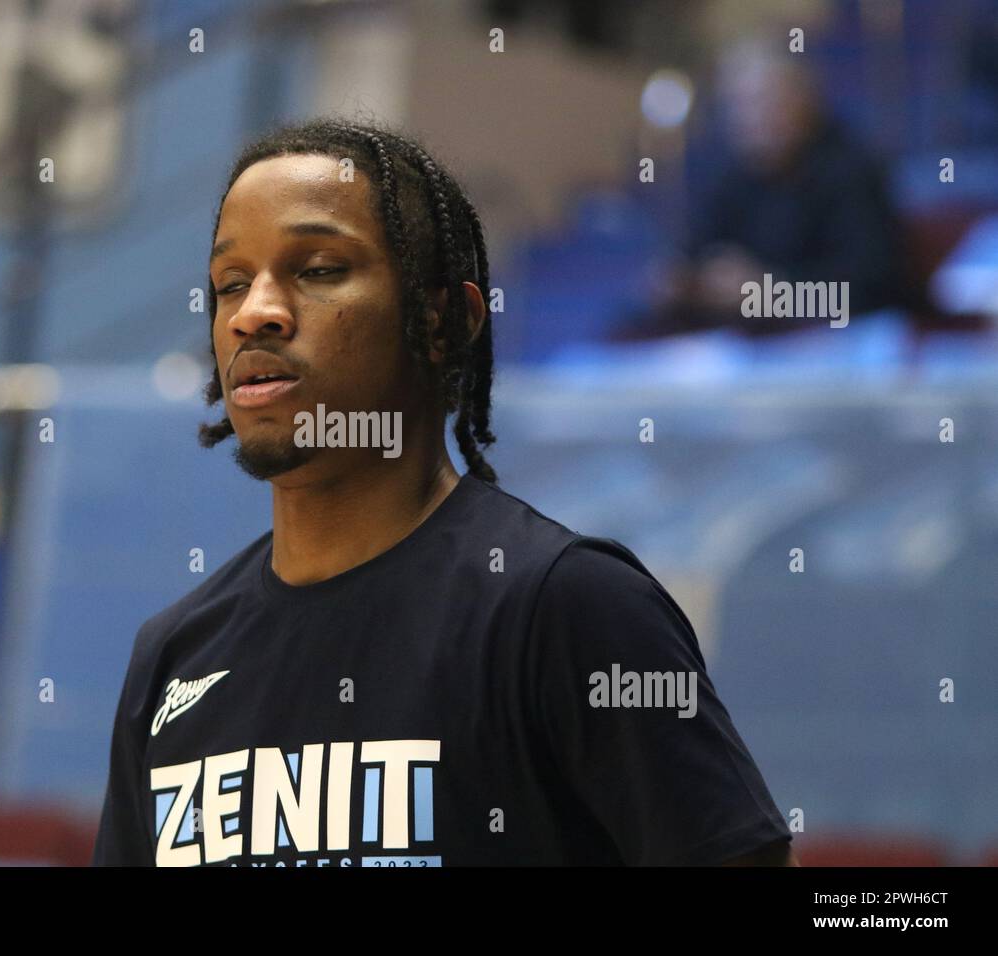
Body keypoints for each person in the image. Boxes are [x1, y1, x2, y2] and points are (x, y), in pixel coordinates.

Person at [92, 117, 796, 866]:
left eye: (320, 268)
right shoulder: (173, 657)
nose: (254, 312)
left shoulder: (569, 607)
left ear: (441, 322)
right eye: (231, 282)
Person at [629, 41, 903, 339]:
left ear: (803, 101)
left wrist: (771, 293)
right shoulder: (730, 179)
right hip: (748, 355)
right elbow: (695, 257)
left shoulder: (851, 171)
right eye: (737, 105)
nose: (750, 118)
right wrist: (680, 285)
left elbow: (872, 292)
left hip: (838, 351)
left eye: (762, 101)